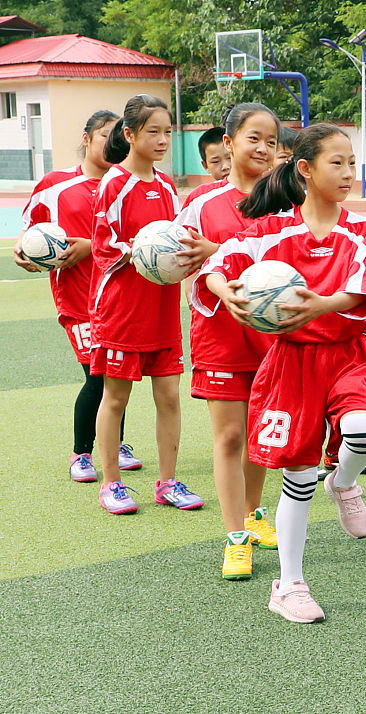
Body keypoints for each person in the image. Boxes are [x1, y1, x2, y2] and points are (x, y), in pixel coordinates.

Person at [196, 123, 366, 623]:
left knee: (363, 431)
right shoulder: (271, 231)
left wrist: (323, 304)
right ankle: (290, 585)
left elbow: (365, 290)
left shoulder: (359, 230)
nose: (349, 172)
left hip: (348, 354)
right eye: (337, 163)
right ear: (305, 170)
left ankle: (343, 483)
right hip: (291, 365)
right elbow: (219, 263)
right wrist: (224, 290)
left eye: (352, 163)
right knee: (297, 475)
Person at [176, 103, 281, 580]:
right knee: (231, 436)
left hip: (274, 338)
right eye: (252, 138)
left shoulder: (286, 201)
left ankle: (254, 514)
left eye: (270, 141)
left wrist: (218, 251)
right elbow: (175, 258)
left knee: (260, 438)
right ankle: (235, 537)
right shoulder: (201, 203)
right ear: (230, 141)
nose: (262, 149)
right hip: (219, 334)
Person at [14, 110, 145, 482]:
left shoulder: (127, 185)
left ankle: (115, 444)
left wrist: (91, 246)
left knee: (117, 375)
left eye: (118, 136)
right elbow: (29, 229)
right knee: (97, 375)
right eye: (105, 135)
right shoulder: (55, 184)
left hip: (118, 297)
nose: (112, 143)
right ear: (87, 138)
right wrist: (23, 249)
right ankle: (81, 453)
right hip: (77, 299)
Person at [90, 94, 204, 515]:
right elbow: (104, 246)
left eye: (167, 132)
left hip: (161, 308)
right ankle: (111, 484)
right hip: (122, 309)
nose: (162, 140)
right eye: (153, 131)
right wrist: (142, 248)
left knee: (170, 395)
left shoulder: (165, 186)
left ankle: (167, 481)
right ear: (130, 134)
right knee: (116, 396)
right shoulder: (113, 184)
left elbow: (176, 238)